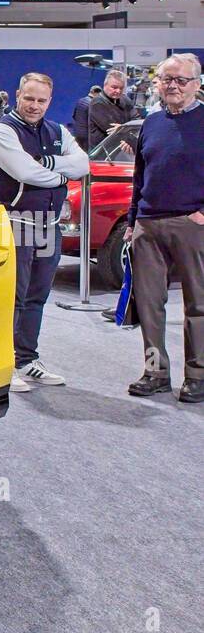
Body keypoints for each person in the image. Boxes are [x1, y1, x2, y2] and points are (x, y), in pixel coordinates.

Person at [0, 74, 90, 392]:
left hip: (49, 227)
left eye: (41, 100)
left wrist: (48, 162)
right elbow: (24, 172)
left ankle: (26, 359)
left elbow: (83, 164)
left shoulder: (57, 131)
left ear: (49, 100)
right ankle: (3, 364)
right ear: (17, 95)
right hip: (16, 224)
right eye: (29, 98)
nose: (34, 105)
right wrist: (61, 177)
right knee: (12, 298)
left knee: (37, 297)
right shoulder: (2, 130)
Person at [124, 54, 204, 403]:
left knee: (198, 304)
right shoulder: (151, 124)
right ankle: (155, 372)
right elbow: (140, 177)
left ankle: (198, 376)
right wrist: (132, 222)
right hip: (148, 224)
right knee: (149, 305)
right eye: (166, 78)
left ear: (197, 85)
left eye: (181, 80)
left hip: (192, 224)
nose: (172, 85)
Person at [87, 69, 136, 150]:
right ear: (105, 85)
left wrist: (122, 127)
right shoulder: (97, 103)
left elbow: (136, 120)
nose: (118, 91)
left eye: (121, 88)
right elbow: (112, 129)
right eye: (114, 87)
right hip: (102, 154)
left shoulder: (125, 99)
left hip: (122, 150)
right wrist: (127, 128)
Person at [68, 86, 101, 151]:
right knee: (86, 155)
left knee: (77, 153)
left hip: (77, 133)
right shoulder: (93, 104)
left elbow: (74, 116)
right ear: (96, 93)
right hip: (87, 135)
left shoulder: (80, 101)